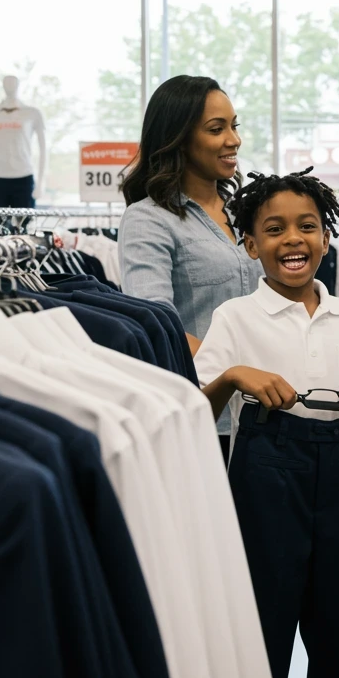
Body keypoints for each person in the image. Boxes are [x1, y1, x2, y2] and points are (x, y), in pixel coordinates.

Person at [195, 168, 339, 678]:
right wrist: (233, 375)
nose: (293, 239)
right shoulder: (234, 317)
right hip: (267, 468)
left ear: (327, 237)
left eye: (307, 226)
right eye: (274, 229)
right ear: (250, 244)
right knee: (261, 621)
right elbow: (196, 410)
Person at [119, 74, 262, 456]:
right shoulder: (147, 219)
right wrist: (239, 371)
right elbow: (158, 324)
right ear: (178, 138)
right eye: (217, 129)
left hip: (267, 413)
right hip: (205, 416)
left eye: (234, 126)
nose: (233, 139)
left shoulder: (243, 212)